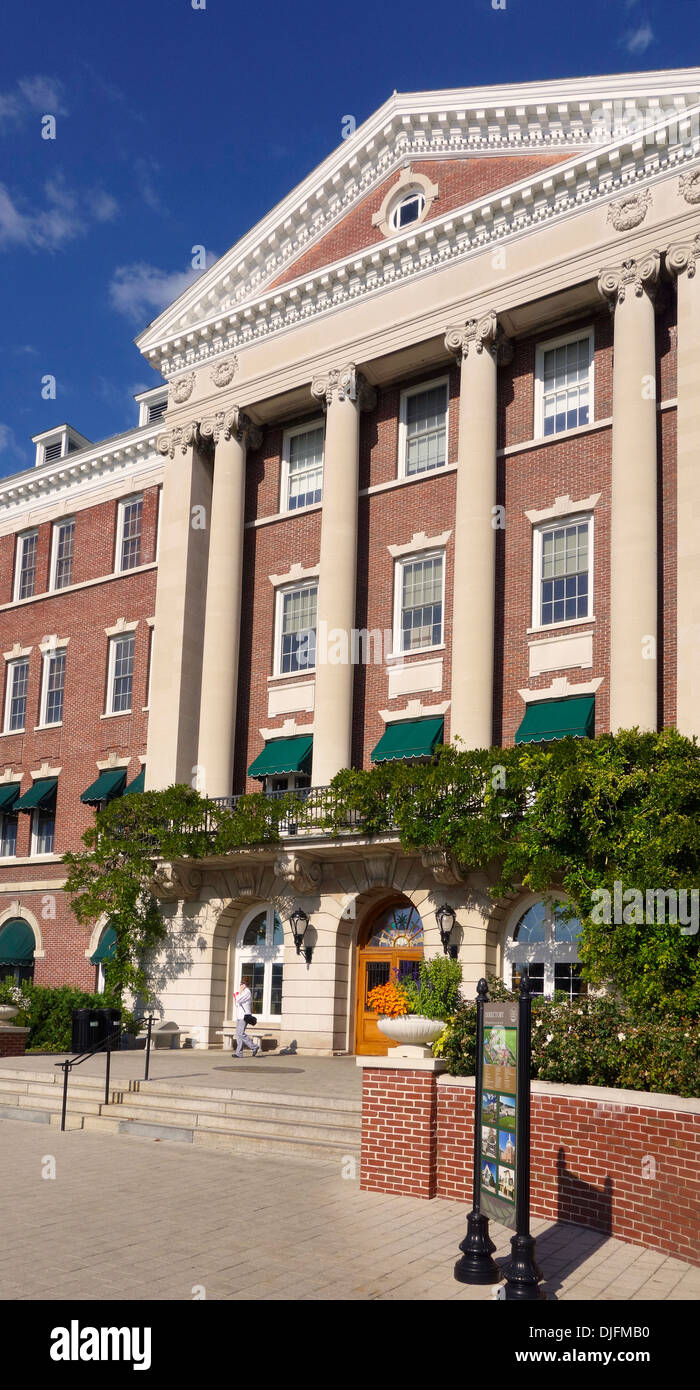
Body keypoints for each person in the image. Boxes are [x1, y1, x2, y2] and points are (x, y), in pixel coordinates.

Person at [233, 976, 260, 1057]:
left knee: (241, 1034)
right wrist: (239, 993)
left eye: (242, 983)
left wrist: (240, 992)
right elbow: (237, 1004)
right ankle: (239, 1053)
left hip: (244, 1016)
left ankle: (254, 1047)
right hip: (239, 1016)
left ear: (245, 985)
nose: (240, 985)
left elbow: (238, 1000)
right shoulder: (243, 992)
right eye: (240, 983)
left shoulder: (247, 992)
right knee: (238, 1034)